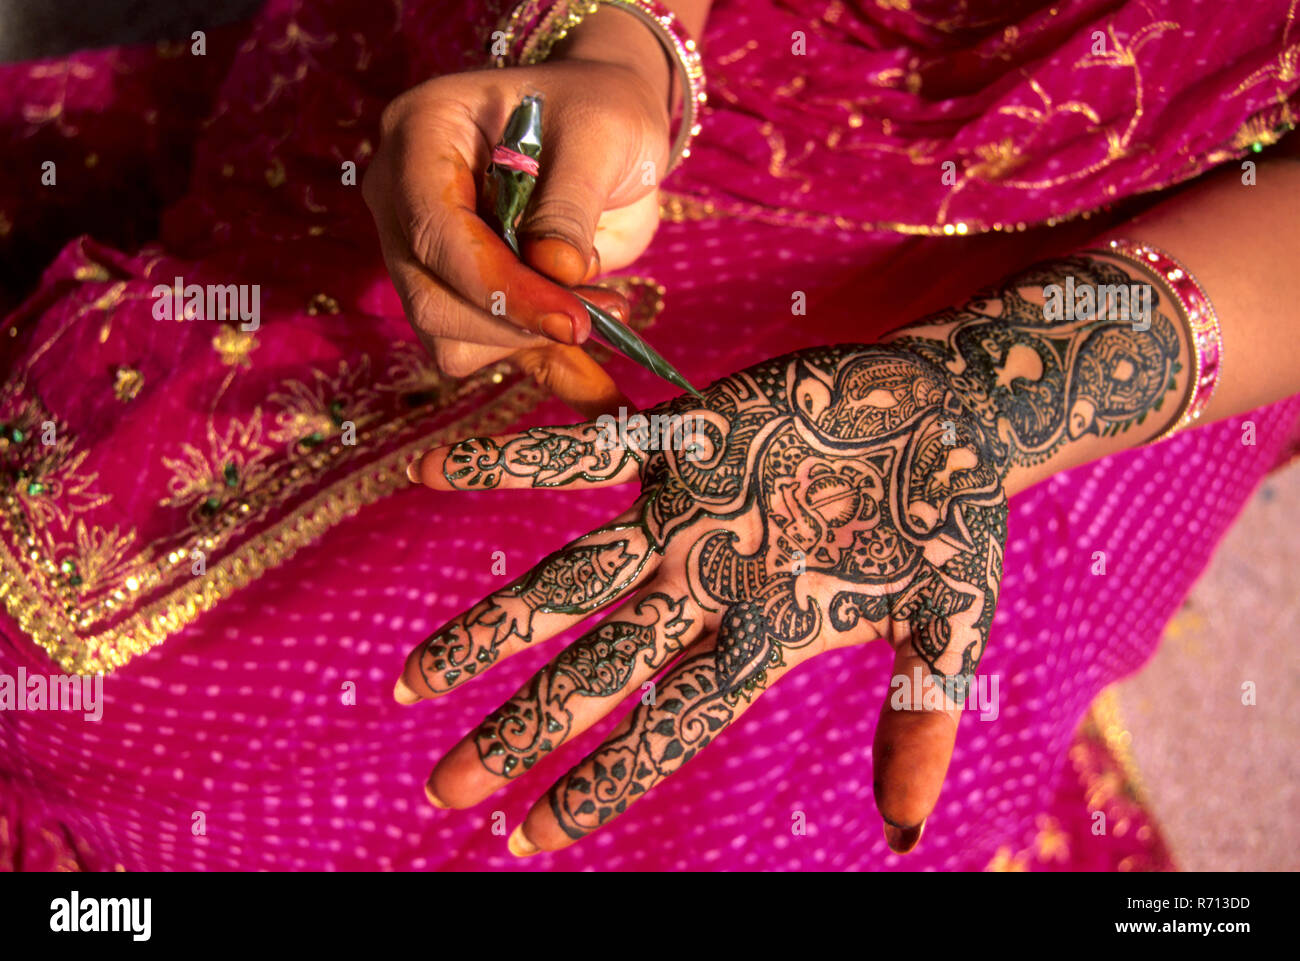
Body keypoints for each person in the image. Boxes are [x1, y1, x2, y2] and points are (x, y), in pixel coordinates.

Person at [0, 0, 1296, 871]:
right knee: (92, 680)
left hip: (1149, 262)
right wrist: (618, 52)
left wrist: (979, 400)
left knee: (810, 815)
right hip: (719, 73)